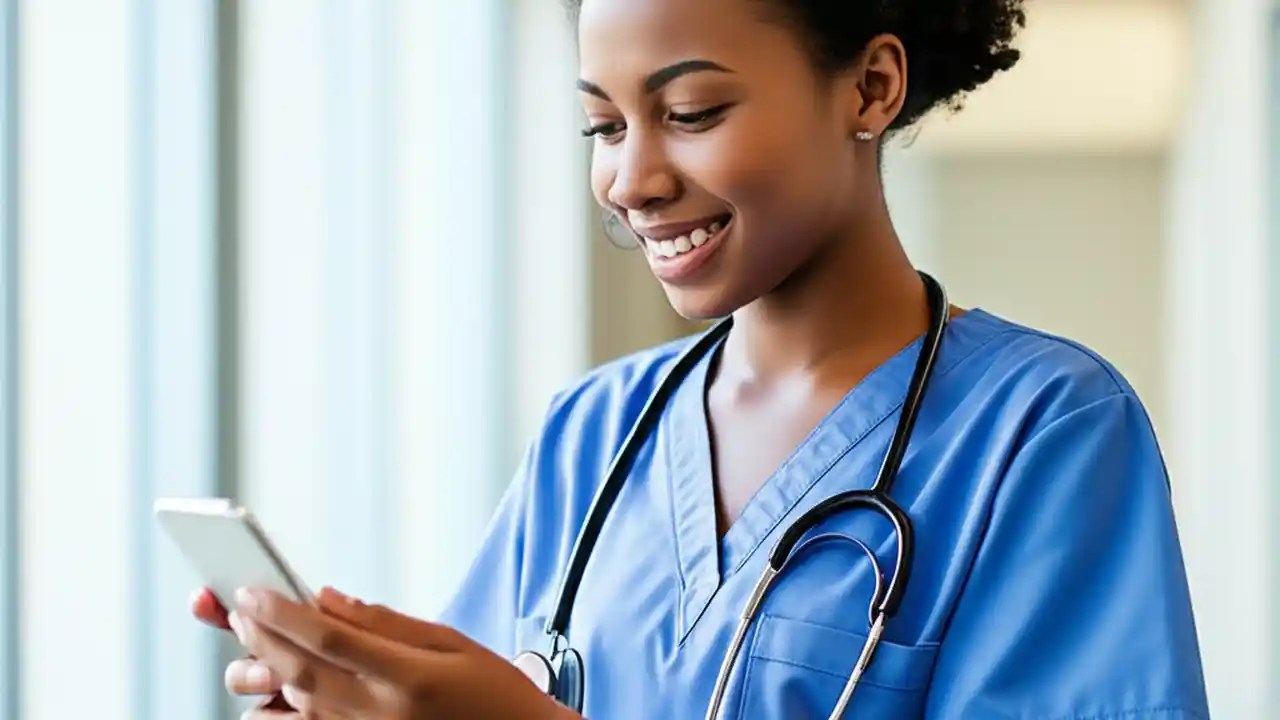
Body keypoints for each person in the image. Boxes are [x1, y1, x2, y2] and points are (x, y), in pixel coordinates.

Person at [193, 0, 1212, 716]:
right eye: (601, 124)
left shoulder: (1041, 431)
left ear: (868, 85)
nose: (629, 179)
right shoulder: (588, 436)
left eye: (689, 114)